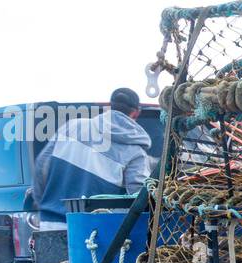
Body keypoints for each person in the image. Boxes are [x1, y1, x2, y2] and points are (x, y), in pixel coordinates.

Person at [33, 87, 154, 223]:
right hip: (94, 232)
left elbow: (41, 166)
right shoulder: (135, 151)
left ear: (110, 106)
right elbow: (139, 196)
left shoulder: (71, 127)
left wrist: (42, 204)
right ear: (136, 113)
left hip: (52, 223)